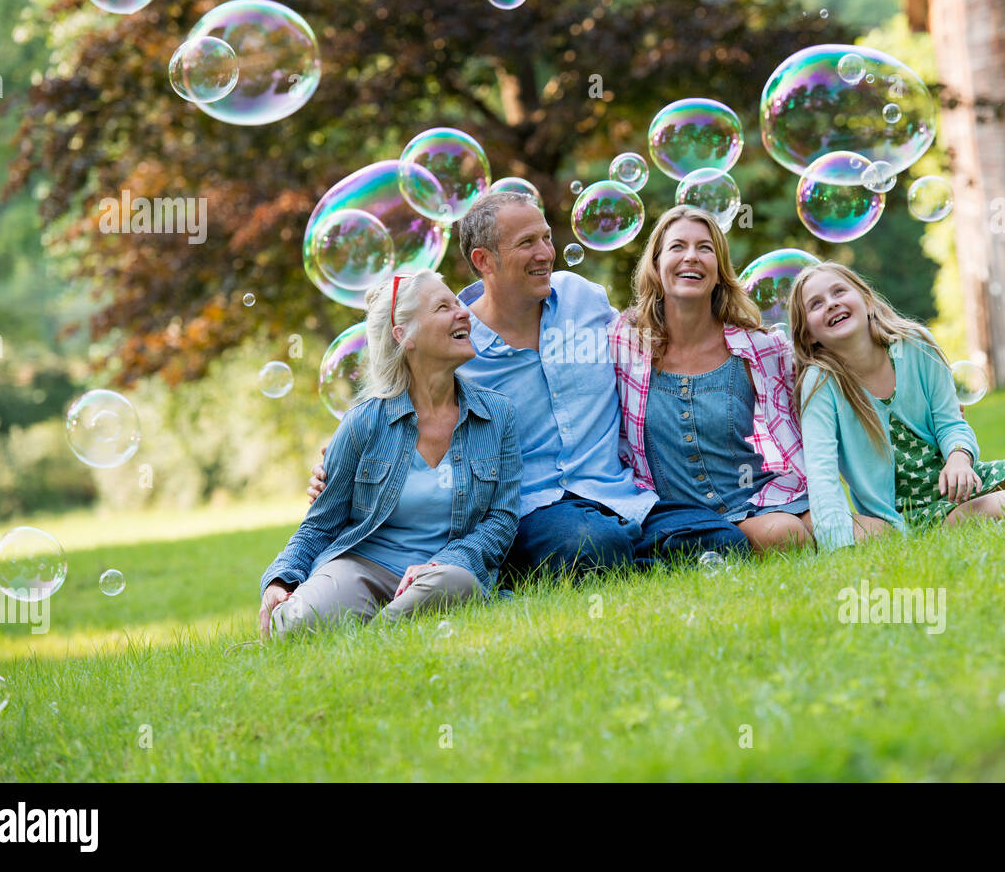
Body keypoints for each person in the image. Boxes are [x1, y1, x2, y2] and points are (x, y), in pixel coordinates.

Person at [309, 191, 750, 581]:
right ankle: (554, 565)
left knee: (722, 539)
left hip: (617, 494)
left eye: (546, 238)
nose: (545, 253)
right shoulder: (456, 345)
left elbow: (650, 334)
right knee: (592, 545)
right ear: (484, 260)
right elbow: (401, 403)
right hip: (532, 512)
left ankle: (607, 561)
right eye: (526, 244)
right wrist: (341, 452)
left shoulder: (583, 298)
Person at [260, 269, 521, 636]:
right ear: (404, 335)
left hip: (443, 574)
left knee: (455, 584)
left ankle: (377, 636)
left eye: (459, 303)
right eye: (443, 307)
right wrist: (280, 579)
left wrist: (445, 562)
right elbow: (320, 524)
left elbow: (502, 519)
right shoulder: (363, 423)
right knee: (299, 624)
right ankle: (391, 628)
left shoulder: (498, 415)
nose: (464, 312)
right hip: (363, 567)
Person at [790, 261, 1005, 552]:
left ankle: (1002, 503)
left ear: (867, 301)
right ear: (809, 335)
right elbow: (822, 471)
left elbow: (951, 422)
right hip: (898, 515)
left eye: (839, 291)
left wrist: (958, 459)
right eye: (816, 304)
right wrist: (837, 544)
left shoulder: (916, 343)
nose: (830, 303)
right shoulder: (820, 384)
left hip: (963, 482)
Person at [610, 206, 811, 553]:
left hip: (761, 493)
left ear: (719, 271)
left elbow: (818, 404)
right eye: (677, 247)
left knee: (848, 528)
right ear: (656, 266)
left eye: (705, 248)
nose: (692, 257)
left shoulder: (758, 348)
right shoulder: (624, 342)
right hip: (679, 515)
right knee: (786, 535)